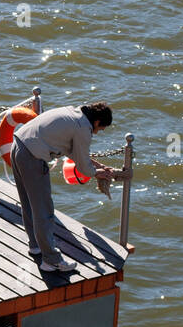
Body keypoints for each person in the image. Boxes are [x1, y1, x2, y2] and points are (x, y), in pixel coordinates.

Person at [11, 102, 114, 271]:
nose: (97, 132)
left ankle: (35, 245)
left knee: (29, 203)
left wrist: (97, 166)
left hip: (19, 144)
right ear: (97, 122)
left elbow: (74, 153)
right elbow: (83, 168)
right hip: (33, 157)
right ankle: (50, 260)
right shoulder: (84, 129)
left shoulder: (73, 112)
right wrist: (98, 173)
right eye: (100, 129)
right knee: (44, 210)